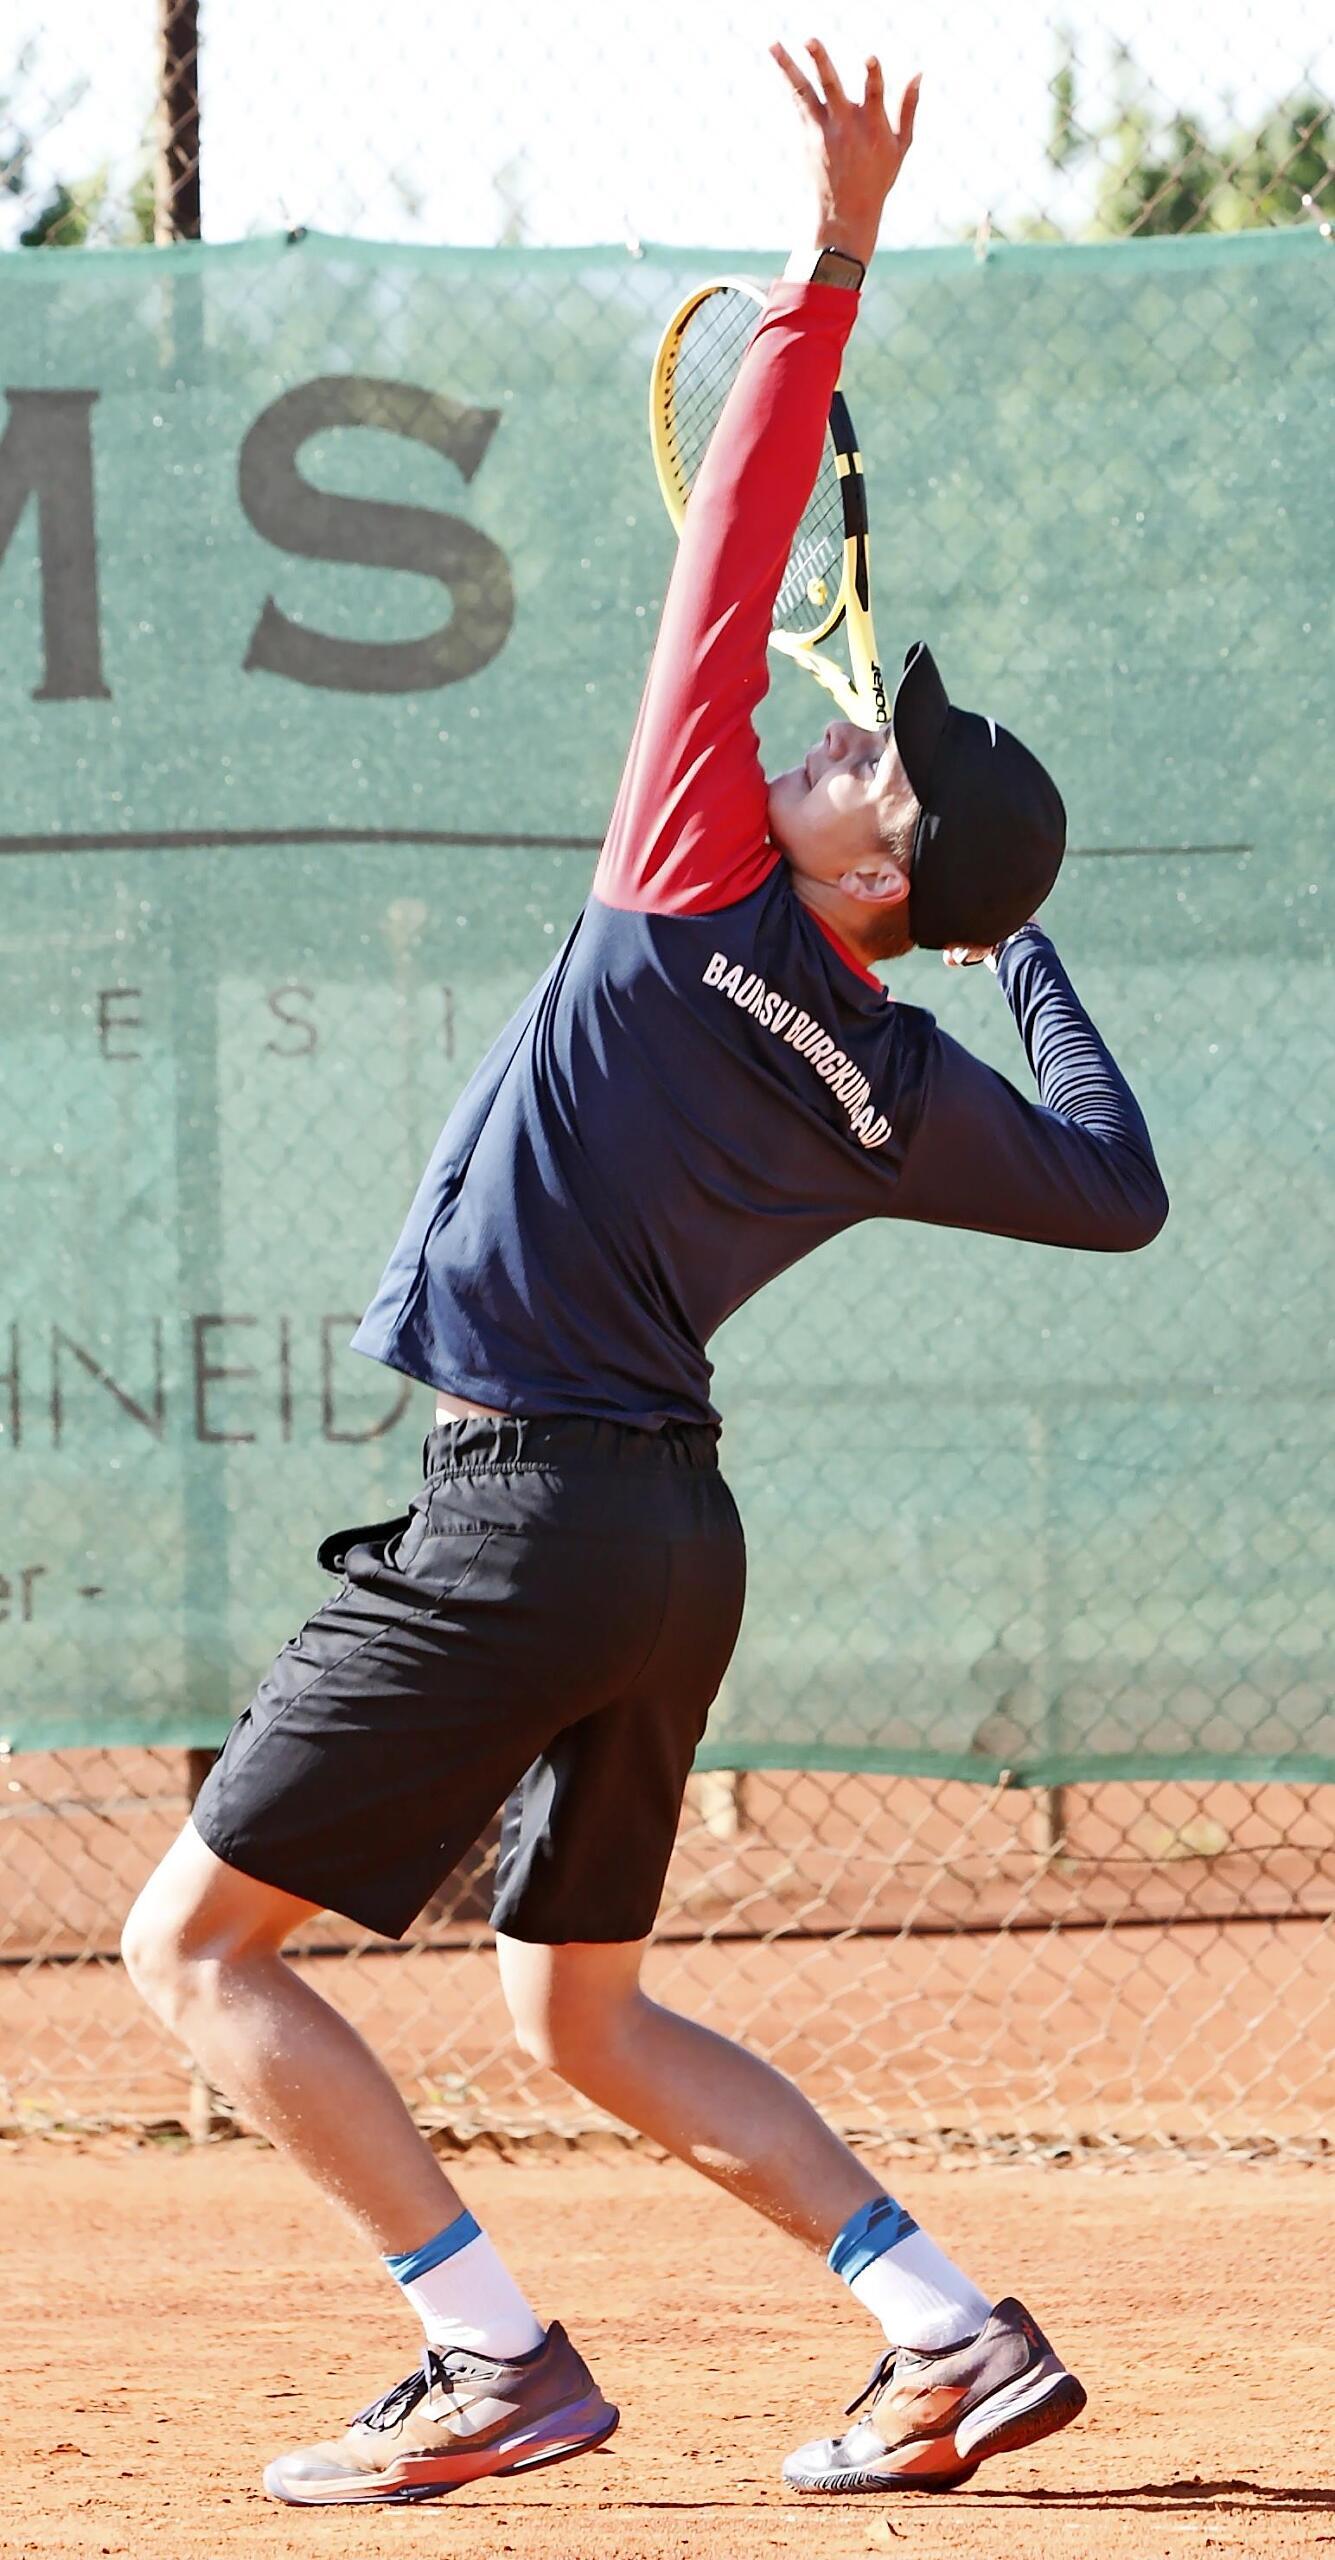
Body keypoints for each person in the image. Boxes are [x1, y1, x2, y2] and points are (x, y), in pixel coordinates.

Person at [122, 36, 1166, 2509]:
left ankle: (485, 2351)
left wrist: (831, 255)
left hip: (523, 1520)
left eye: (870, 759)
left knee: (189, 1947)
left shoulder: (693, 869)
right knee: (571, 2008)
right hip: (669, 1544)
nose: (830, 732)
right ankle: (945, 2329)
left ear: (862, 864)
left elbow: (734, 542)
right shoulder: (889, 1079)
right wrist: (1009, 952)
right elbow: (1112, 1186)